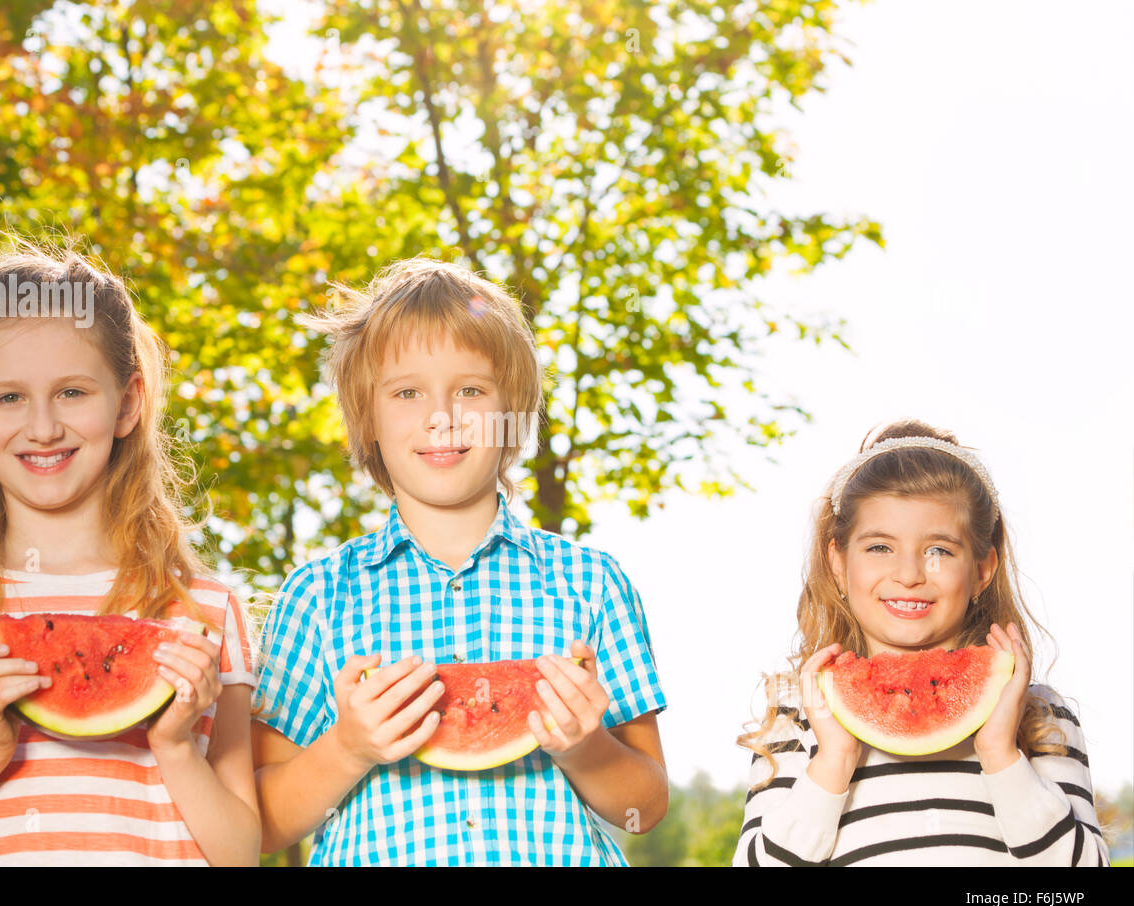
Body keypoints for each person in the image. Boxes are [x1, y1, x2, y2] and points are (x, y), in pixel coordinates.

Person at [252, 258, 668, 865]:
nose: (441, 415)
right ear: (368, 418)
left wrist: (586, 750)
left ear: (514, 413)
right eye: (407, 391)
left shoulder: (591, 583)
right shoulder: (316, 596)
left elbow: (645, 809)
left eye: (471, 390)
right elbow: (261, 828)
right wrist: (348, 748)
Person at [0, 240, 260, 865]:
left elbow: (240, 852)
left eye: (73, 392)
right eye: (8, 398)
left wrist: (176, 747)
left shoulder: (208, 612)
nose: (43, 427)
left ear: (127, 402)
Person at [734, 420, 1109, 866]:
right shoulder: (798, 718)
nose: (909, 574)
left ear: (983, 569)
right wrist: (833, 759)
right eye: (879, 548)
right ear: (838, 562)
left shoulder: (1040, 716)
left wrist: (1000, 753)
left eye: (939, 551)